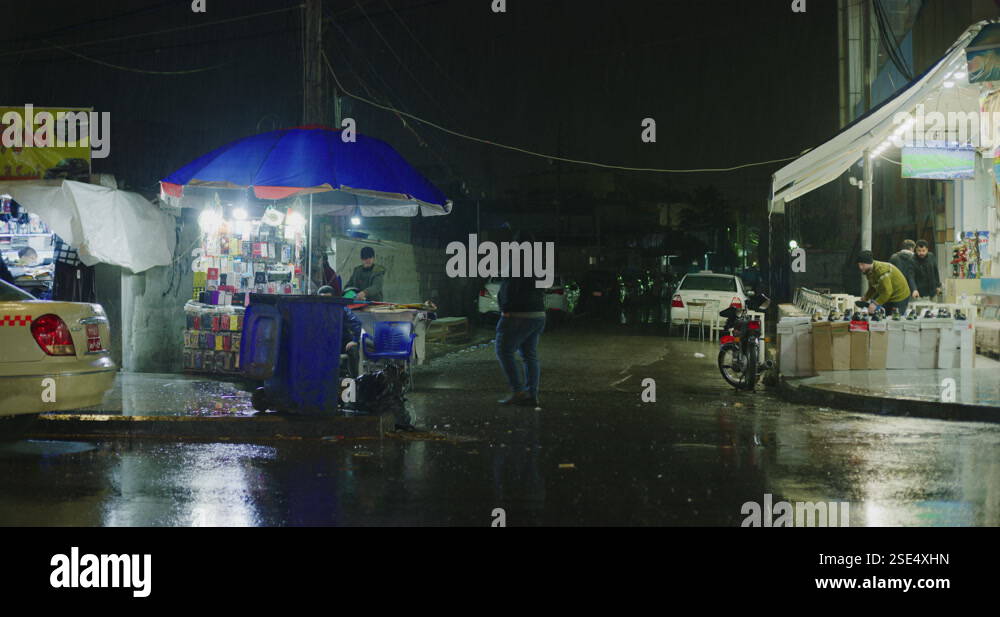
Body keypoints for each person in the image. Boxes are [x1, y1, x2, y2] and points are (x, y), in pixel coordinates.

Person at [495, 231, 546, 408]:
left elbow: (510, 284)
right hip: (538, 314)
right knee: (529, 355)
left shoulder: (516, 259)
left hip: (518, 315)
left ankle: (518, 391)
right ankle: (532, 394)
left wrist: (506, 309)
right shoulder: (538, 261)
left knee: (503, 350)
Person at [317, 285, 361, 378]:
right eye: (322, 298)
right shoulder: (315, 312)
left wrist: (354, 340)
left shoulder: (342, 310)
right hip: (323, 344)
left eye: (328, 298)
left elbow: (356, 322)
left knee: (353, 349)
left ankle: (354, 380)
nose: (326, 302)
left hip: (342, 343)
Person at [857, 250, 911, 315]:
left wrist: (875, 304)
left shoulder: (882, 272)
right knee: (883, 316)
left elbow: (887, 292)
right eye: (859, 264)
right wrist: (865, 297)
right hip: (889, 296)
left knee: (894, 319)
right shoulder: (868, 271)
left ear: (869, 263)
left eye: (863, 264)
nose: (860, 267)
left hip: (900, 296)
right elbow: (873, 287)